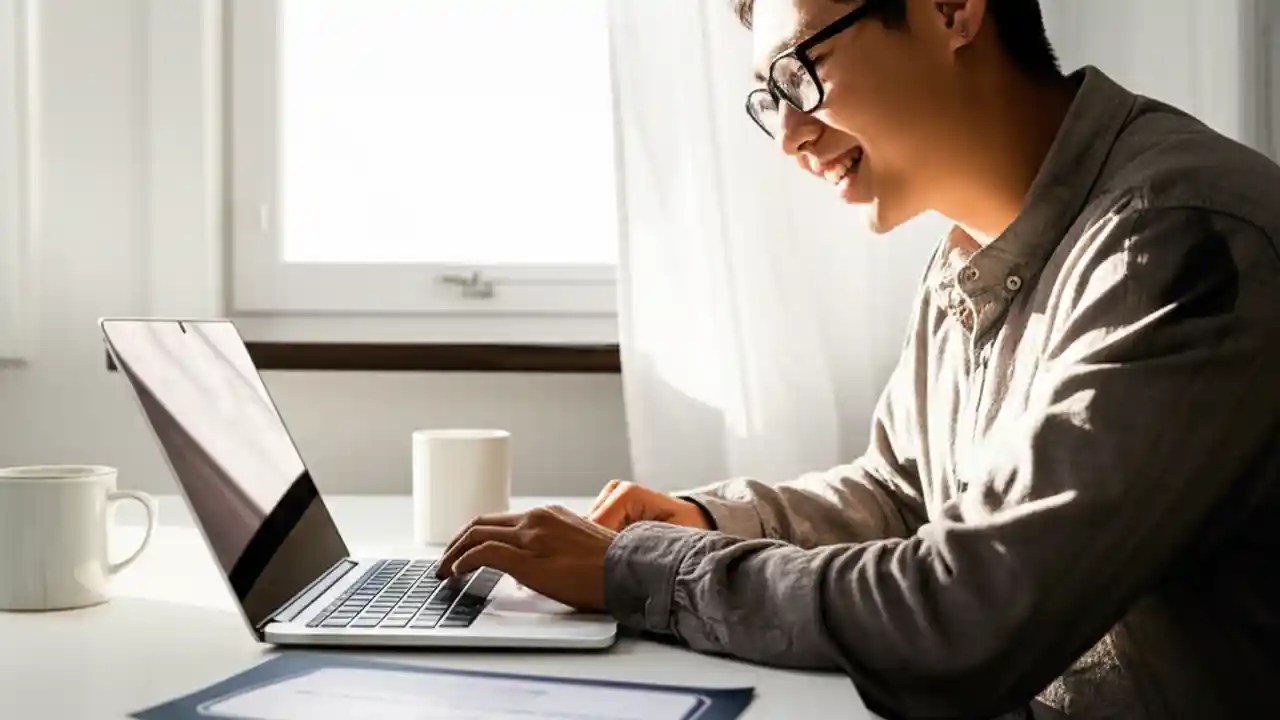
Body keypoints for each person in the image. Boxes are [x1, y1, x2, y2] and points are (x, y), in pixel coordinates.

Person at [437, 0, 1280, 717]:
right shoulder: (974, 250)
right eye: (768, 99)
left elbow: (965, 615)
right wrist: (704, 520)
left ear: (951, 9)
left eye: (802, 71)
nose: (790, 136)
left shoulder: (1173, 243)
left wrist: (640, 571)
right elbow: (903, 491)